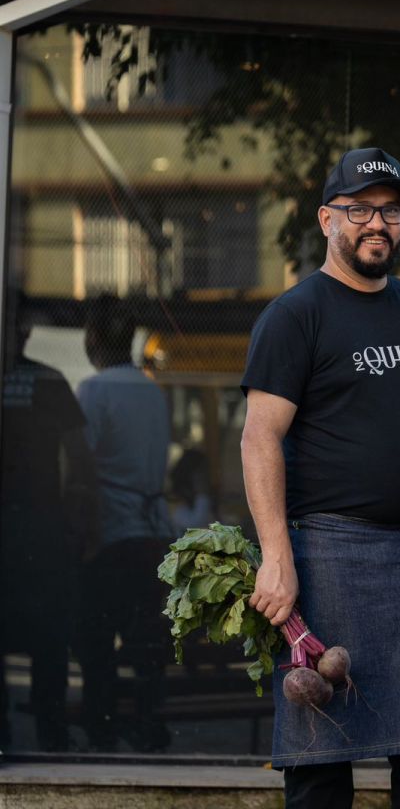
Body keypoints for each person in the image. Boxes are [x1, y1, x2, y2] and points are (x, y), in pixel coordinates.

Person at [240, 146, 400, 809]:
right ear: (327, 219)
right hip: (328, 558)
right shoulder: (296, 315)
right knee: (322, 768)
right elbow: (260, 437)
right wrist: (276, 558)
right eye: (359, 210)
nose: (377, 224)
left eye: (391, 211)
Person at [74, 294, 172, 752]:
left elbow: (80, 469)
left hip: (111, 535)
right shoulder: (151, 390)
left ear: (93, 339)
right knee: (147, 644)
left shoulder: (94, 390)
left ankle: (104, 729)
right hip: (153, 534)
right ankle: (149, 724)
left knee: (95, 643)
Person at [0, 296, 96, 751]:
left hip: (30, 526)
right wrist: (75, 525)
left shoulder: (49, 381)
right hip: (43, 527)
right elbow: (79, 460)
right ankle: (51, 734)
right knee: (50, 639)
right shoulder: (50, 381)